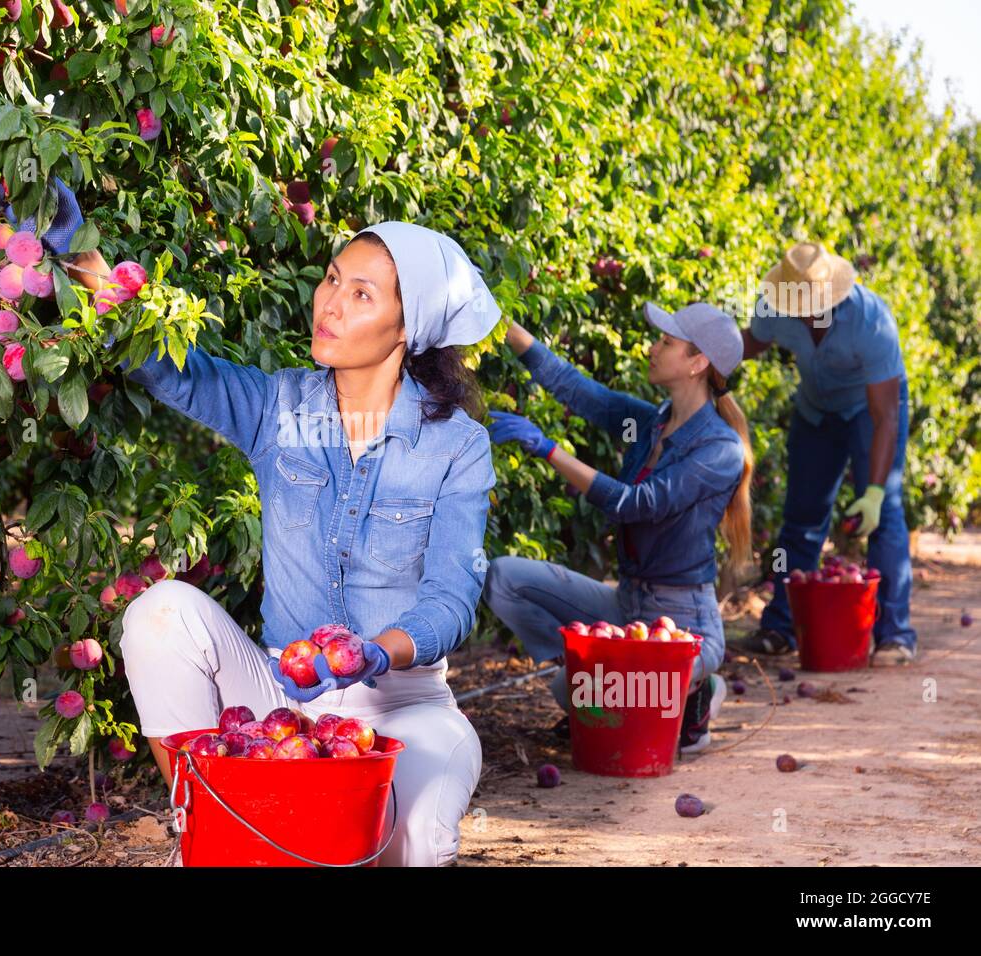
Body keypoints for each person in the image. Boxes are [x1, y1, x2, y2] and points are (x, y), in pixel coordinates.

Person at [110, 222, 499, 866]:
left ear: (407, 329)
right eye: (331, 279)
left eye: (362, 294)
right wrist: (91, 268)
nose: (330, 303)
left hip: (401, 707)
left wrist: (374, 654)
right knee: (159, 614)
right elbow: (170, 369)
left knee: (417, 844)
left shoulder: (456, 446)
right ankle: (209, 824)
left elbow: (452, 598)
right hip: (279, 698)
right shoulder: (278, 404)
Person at [481, 303, 753, 752]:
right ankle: (598, 688)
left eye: (667, 342)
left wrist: (548, 450)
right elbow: (574, 388)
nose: (654, 347)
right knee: (504, 578)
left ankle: (696, 692)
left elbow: (637, 505)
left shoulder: (720, 450)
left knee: (601, 707)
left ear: (698, 362)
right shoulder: (650, 423)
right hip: (627, 604)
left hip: (683, 624)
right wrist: (500, 323)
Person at [733, 242, 916, 664]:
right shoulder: (774, 307)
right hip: (815, 412)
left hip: (869, 413)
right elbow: (752, 342)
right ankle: (781, 627)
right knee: (800, 520)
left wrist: (872, 490)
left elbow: (886, 415)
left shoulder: (870, 320)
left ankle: (895, 636)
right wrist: (707, 356)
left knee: (884, 512)